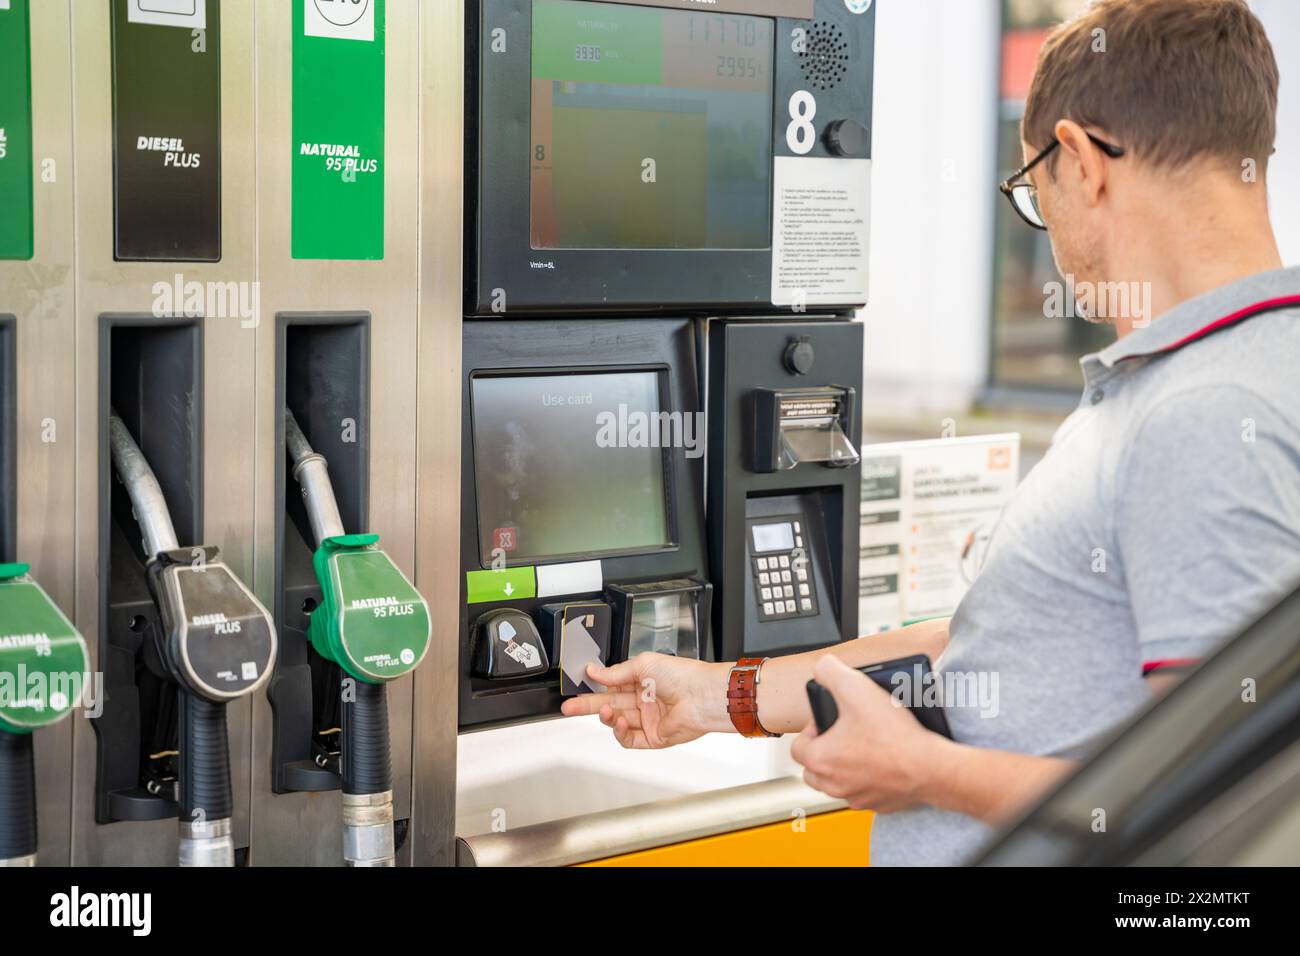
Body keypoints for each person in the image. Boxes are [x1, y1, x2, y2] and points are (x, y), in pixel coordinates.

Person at [563, 0, 1300, 865]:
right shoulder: (1232, 371)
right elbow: (981, 644)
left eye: (1034, 193)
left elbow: (1217, 789)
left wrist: (921, 771)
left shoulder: (1203, 416)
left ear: (1082, 160)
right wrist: (715, 695)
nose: (1049, 234)